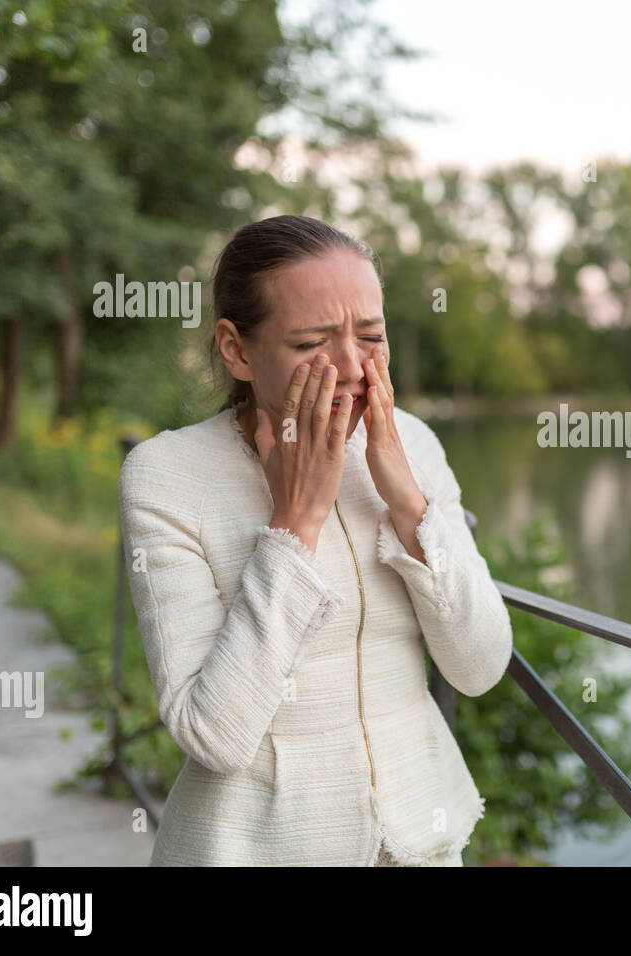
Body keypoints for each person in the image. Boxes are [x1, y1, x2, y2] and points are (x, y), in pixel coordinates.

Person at [119, 214, 513, 866]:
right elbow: (213, 735)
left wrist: (410, 506)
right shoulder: (168, 478)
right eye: (311, 344)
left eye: (372, 337)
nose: (354, 368)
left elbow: (479, 668)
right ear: (236, 349)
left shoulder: (413, 443)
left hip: (421, 843)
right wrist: (294, 525)